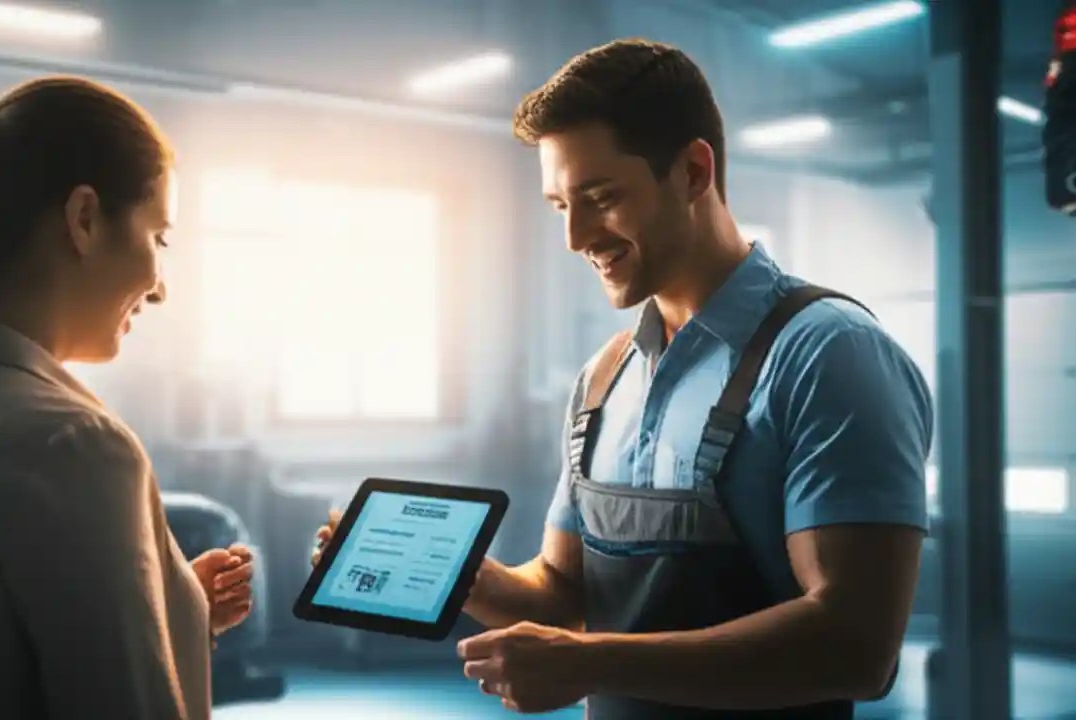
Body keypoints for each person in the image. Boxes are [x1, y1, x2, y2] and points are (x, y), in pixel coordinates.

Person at [315, 39, 931, 719]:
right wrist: (456, 575)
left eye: (602, 197)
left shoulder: (828, 354)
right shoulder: (604, 379)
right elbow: (562, 590)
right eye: (559, 205)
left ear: (694, 171)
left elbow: (854, 647)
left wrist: (593, 661)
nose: (577, 236)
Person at [0, 77, 254, 720]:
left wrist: (169, 608)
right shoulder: (69, 443)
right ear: (84, 218)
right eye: (158, 238)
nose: (160, 288)